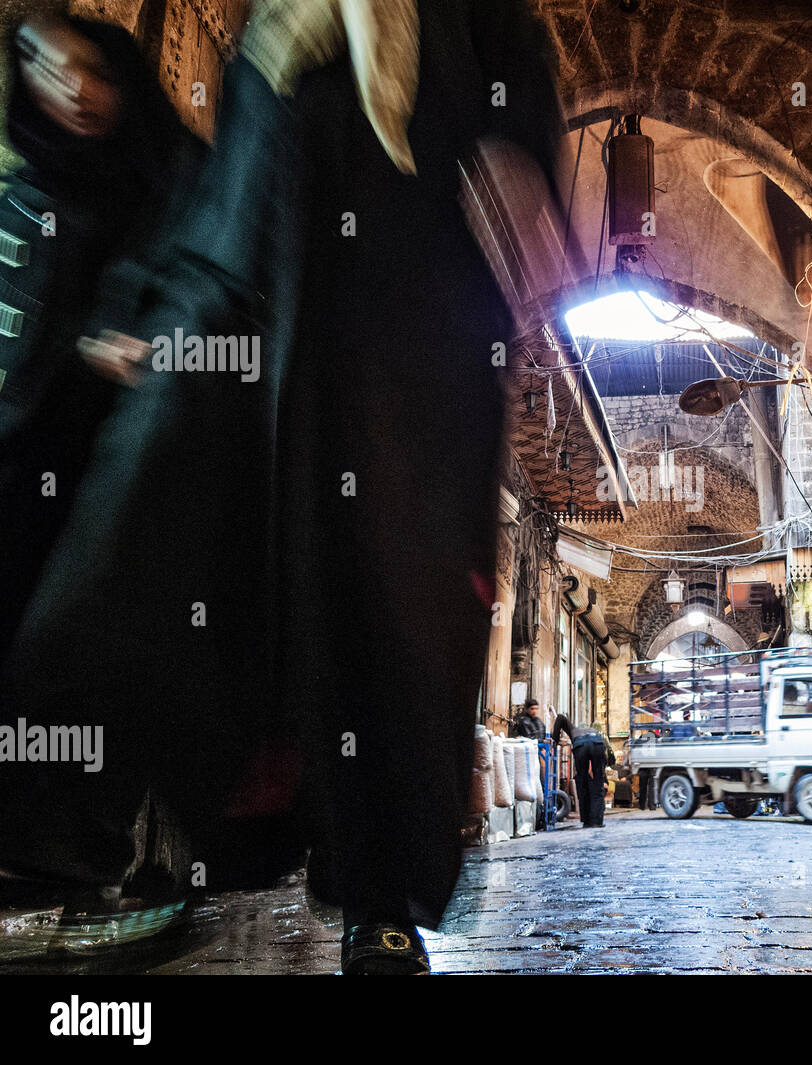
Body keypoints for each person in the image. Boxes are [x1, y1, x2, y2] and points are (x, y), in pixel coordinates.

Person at [3, 0, 564, 975]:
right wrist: (170, 323)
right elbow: (226, 205)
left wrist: (520, 195)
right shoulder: (272, 40)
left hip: (405, 364)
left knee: (387, 622)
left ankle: (378, 899)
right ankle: (54, 845)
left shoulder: (473, 24)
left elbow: (517, 157)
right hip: (262, 344)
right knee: (139, 549)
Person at [0, 12, 204, 897]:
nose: (73, 90)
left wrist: (133, 346)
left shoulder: (166, 191)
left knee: (98, 654)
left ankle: (90, 845)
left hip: (126, 472)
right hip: (25, 467)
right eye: (50, 70)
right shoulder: (25, 193)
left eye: (94, 72)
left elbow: (198, 302)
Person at [552, 714, 613, 829]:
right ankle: (597, 821)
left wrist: (554, 740)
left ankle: (586, 821)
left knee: (582, 783)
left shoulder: (573, 730)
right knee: (597, 784)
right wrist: (602, 777)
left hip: (581, 746)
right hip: (597, 745)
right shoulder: (593, 731)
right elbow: (605, 758)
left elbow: (560, 717)